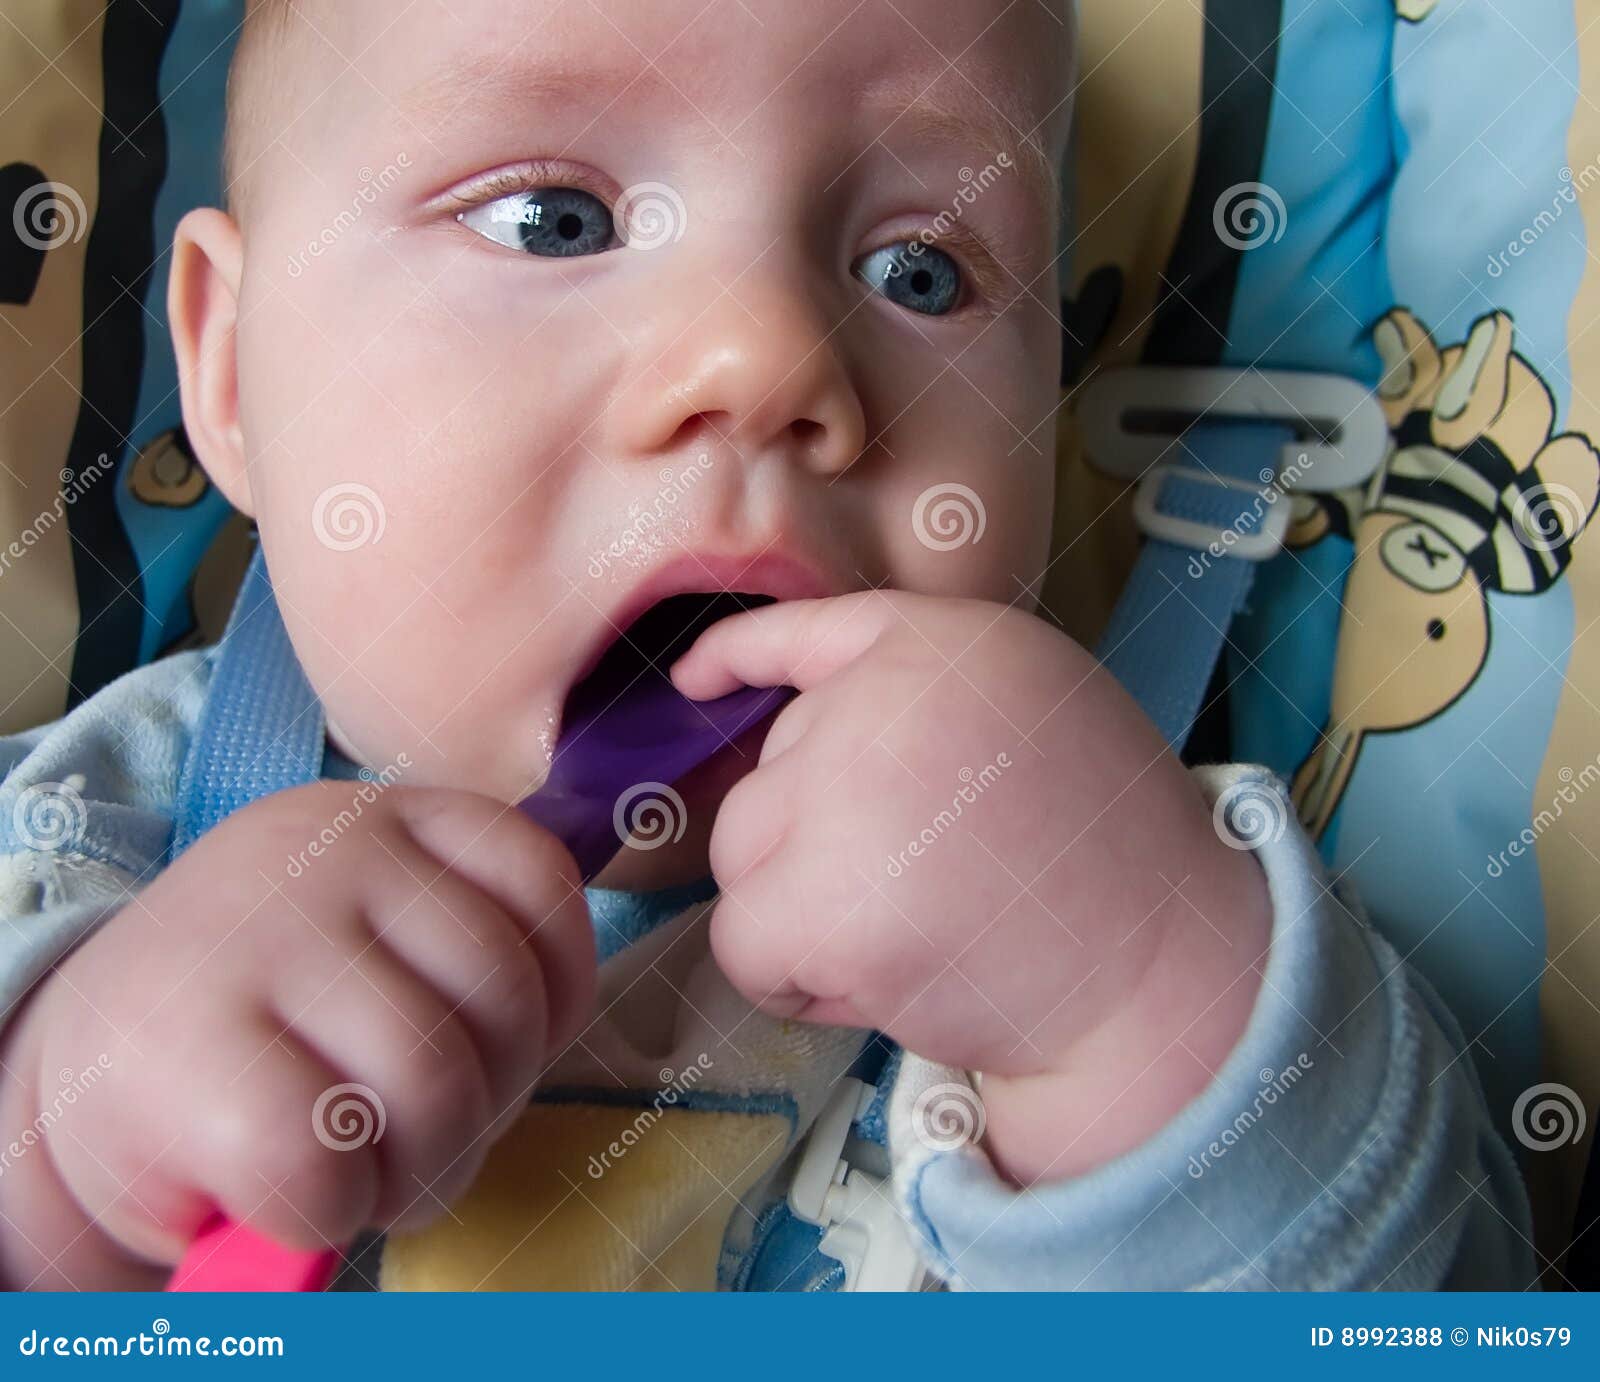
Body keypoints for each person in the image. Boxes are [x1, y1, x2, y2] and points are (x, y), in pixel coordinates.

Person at [0, 0, 1533, 1290]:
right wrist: (68, 1137)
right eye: (556, 219)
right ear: (231, 372)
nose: (767, 355)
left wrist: (1138, 1008)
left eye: (919, 272)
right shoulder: (93, 837)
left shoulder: (1128, 869)